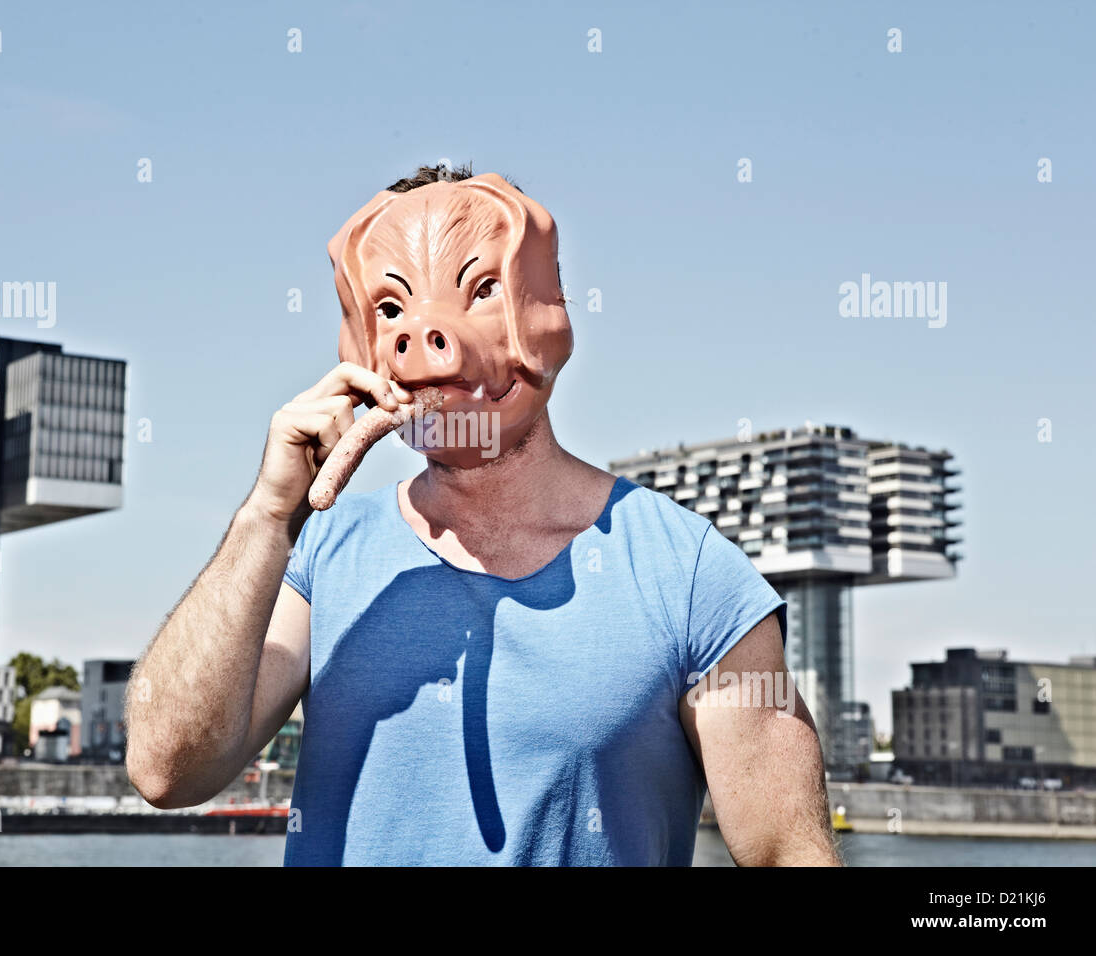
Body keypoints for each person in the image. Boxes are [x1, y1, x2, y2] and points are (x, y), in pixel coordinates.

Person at [125, 163, 841, 866]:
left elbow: (787, 853)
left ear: (545, 313)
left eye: (481, 292)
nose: (424, 336)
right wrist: (268, 514)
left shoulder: (690, 574)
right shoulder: (323, 554)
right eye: (391, 309)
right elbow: (166, 770)